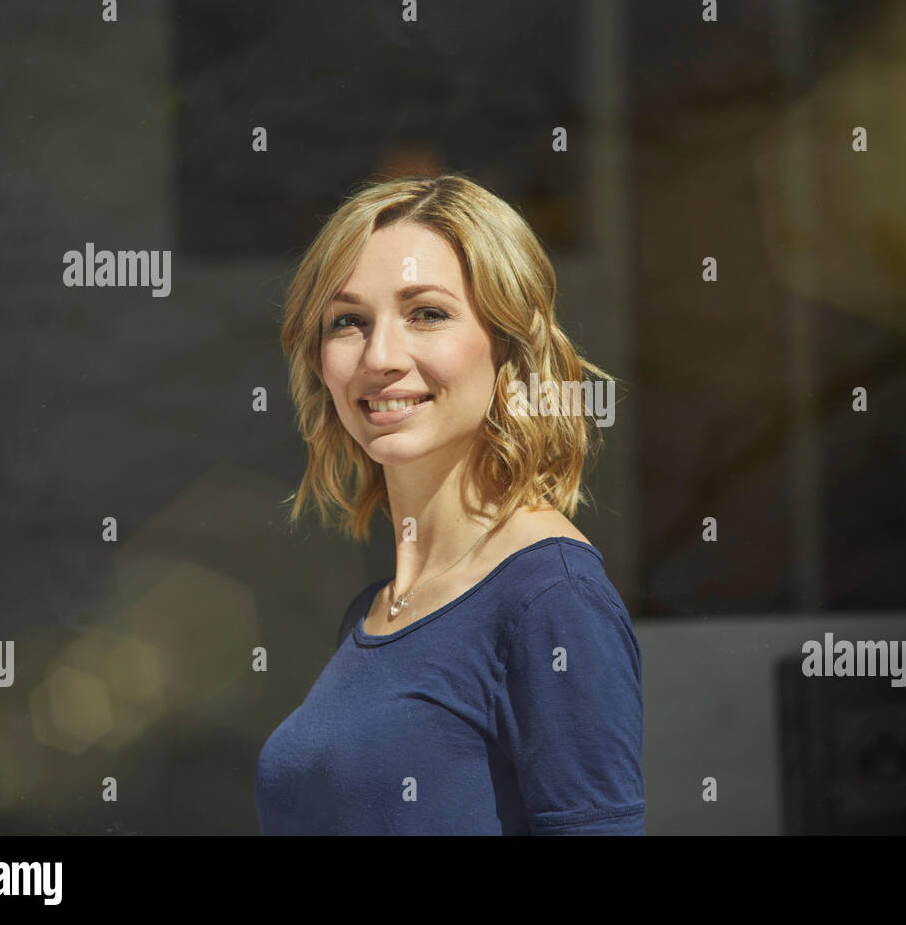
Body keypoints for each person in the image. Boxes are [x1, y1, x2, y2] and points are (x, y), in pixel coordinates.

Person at [254, 173, 644, 834]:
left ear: (508, 345)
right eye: (348, 322)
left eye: (426, 313)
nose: (380, 356)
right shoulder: (374, 612)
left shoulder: (552, 598)